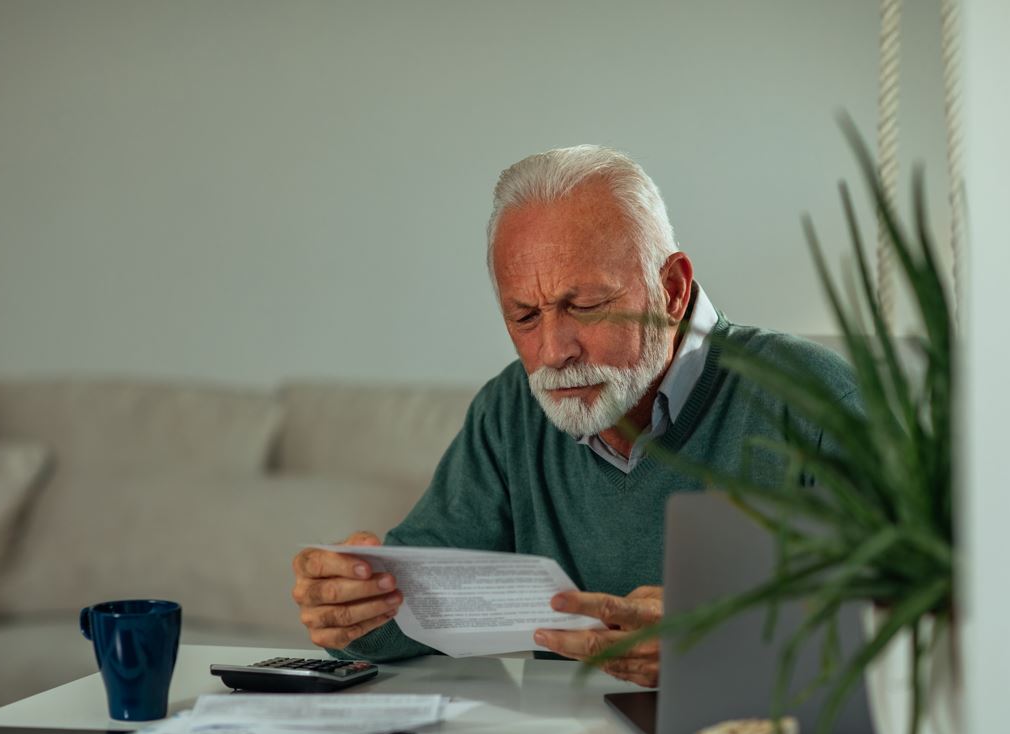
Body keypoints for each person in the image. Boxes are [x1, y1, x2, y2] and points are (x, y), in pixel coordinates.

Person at [290, 145, 857, 687]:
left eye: (584, 306)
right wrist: (352, 609)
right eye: (525, 316)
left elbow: (915, 625)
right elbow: (416, 610)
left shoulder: (814, 398)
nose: (555, 351)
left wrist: (722, 644)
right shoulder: (510, 410)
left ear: (673, 289)